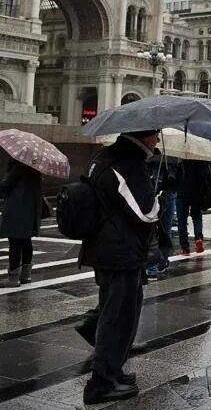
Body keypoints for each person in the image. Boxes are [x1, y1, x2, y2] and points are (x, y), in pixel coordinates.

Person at [79, 129, 161, 404]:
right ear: (143, 136)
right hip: (118, 251)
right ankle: (101, 383)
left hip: (108, 247)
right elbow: (146, 212)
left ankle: (113, 372)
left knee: (117, 312)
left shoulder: (107, 155)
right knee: (118, 317)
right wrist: (158, 193)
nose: (158, 139)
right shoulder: (126, 162)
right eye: (156, 134)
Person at [0, 160, 43, 287]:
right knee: (26, 241)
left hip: (17, 209)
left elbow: (6, 185)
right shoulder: (36, 169)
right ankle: (25, 276)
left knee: (14, 242)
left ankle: (13, 279)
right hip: (30, 210)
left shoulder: (18, 167)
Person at [176, 160, 211, 255]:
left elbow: (176, 176)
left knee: (181, 221)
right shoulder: (201, 161)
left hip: (181, 193)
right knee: (197, 217)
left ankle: (185, 248)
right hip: (196, 193)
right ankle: (198, 238)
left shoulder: (181, 159)